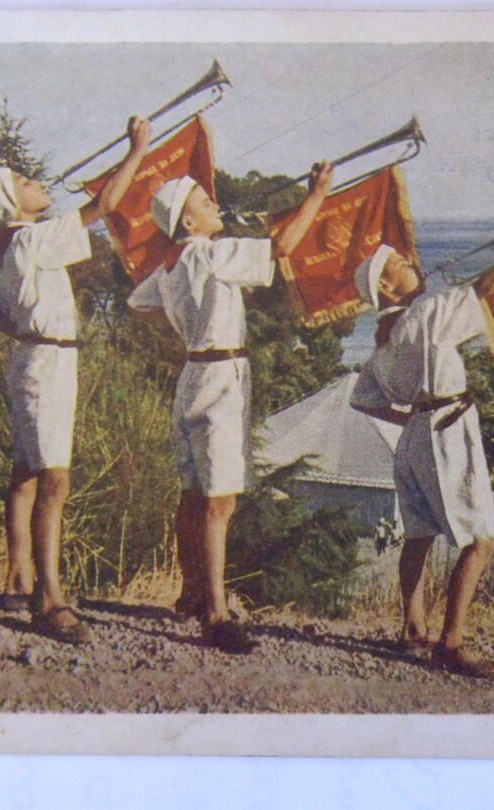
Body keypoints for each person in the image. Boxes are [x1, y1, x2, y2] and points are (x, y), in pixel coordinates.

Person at [128, 162, 333, 654]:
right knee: (221, 501)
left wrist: (189, 322)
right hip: (221, 379)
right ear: (189, 223)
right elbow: (282, 248)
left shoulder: (172, 264)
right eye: (204, 202)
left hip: (192, 375)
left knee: (194, 493)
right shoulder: (212, 254)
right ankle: (217, 614)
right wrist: (318, 195)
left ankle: (192, 592)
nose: (214, 205)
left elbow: (139, 303)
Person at [0, 116, 153, 643]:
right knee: (55, 479)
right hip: (47, 364)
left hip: (34, 357)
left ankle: (18, 576)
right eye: (26, 183)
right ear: (11, 202)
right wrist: (136, 150)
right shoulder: (29, 240)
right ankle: (49, 598)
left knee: (26, 470)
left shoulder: (4, 244)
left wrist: (21, 328)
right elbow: (104, 208)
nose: (37, 183)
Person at [350, 212, 494, 677]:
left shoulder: (383, 343)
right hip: (446, 429)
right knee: (481, 540)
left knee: (419, 536)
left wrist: (408, 414)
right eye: (399, 263)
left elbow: (364, 399)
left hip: (416, 436)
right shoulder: (424, 313)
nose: (411, 261)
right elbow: (484, 289)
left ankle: (412, 628)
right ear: (386, 287)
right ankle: (451, 641)